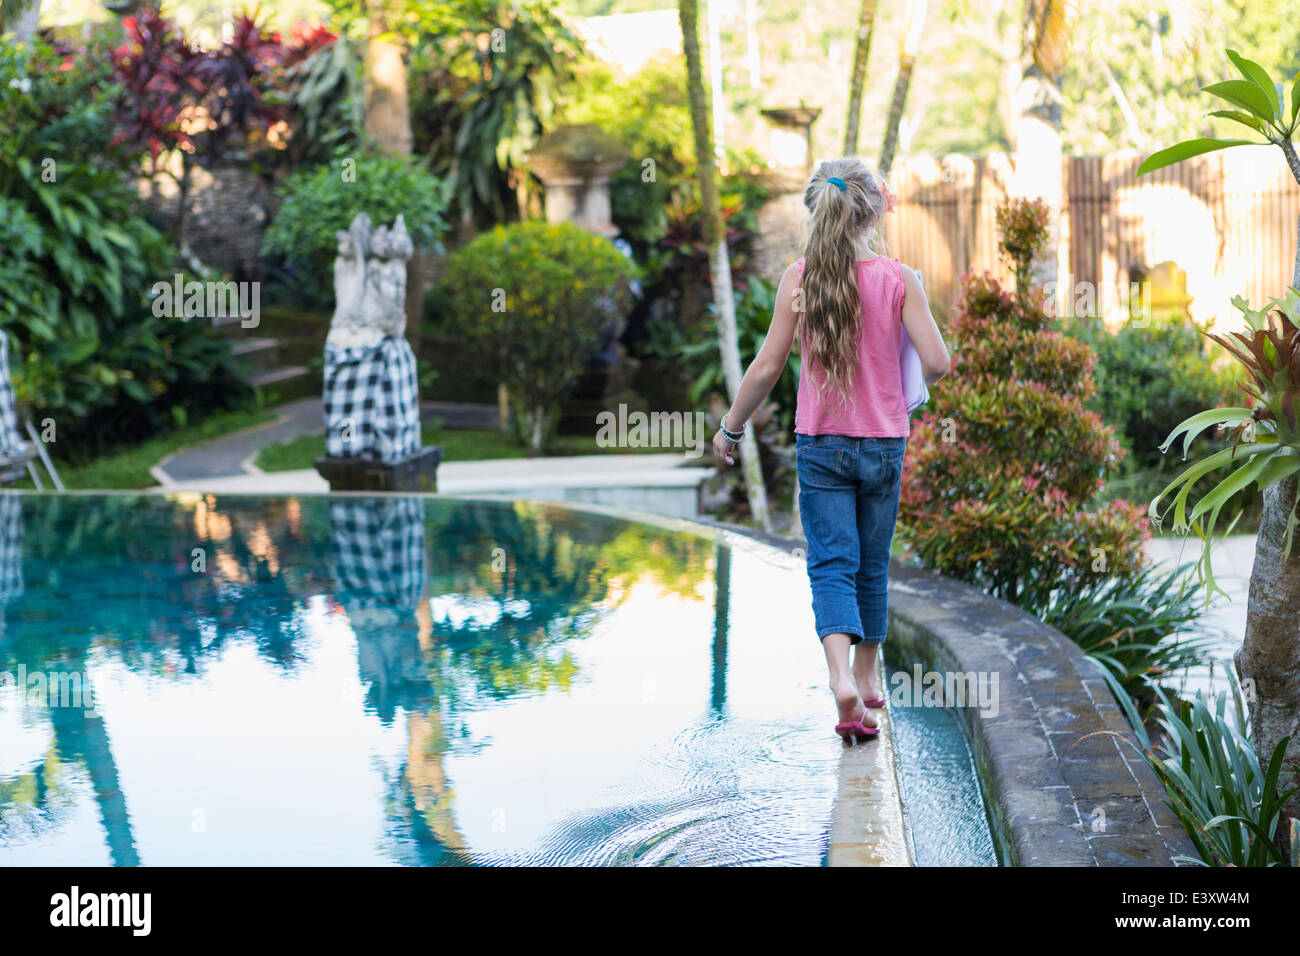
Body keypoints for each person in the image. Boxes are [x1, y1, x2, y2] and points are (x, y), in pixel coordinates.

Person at [712, 157, 950, 742]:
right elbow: (940, 362)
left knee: (831, 566)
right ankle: (869, 683)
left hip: (822, 444)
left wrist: (731, 428)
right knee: (872, 563)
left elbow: (768, 366)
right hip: (884, 443)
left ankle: (842, 678)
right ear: (875, 210)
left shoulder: (801, 278)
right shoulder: (900, 280)